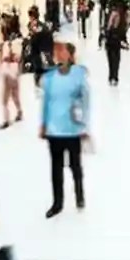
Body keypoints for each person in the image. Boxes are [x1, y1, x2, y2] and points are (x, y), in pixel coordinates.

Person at [41, 42, 90, 218]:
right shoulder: (50, 76)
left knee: (75, 165)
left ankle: (79, 194)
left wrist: (85, 125)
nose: (59, 54)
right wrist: (43, 123)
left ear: (70, 54)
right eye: (56, 52)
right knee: (56, 167)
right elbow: (46, 102)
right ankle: (57, 202)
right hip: (54, 129)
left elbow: (86, 102)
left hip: (72, 128)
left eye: (62, 51)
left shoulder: (78, 75)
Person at [0, 14, 23, 130]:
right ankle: (19, 112)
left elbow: (7, 56)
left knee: (5, 96)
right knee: (14, 94)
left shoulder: (8, 42)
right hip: (14, 68)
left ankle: (6, 119)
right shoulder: (18, 40)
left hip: (8, 68)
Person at [103, 10, 126, 86]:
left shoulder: (118, 26)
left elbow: (123, 35)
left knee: (115, 61)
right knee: (113, 61)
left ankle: (114, 77)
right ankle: (113, 77)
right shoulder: (111, 27)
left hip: (114, 45)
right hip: (112, 45)